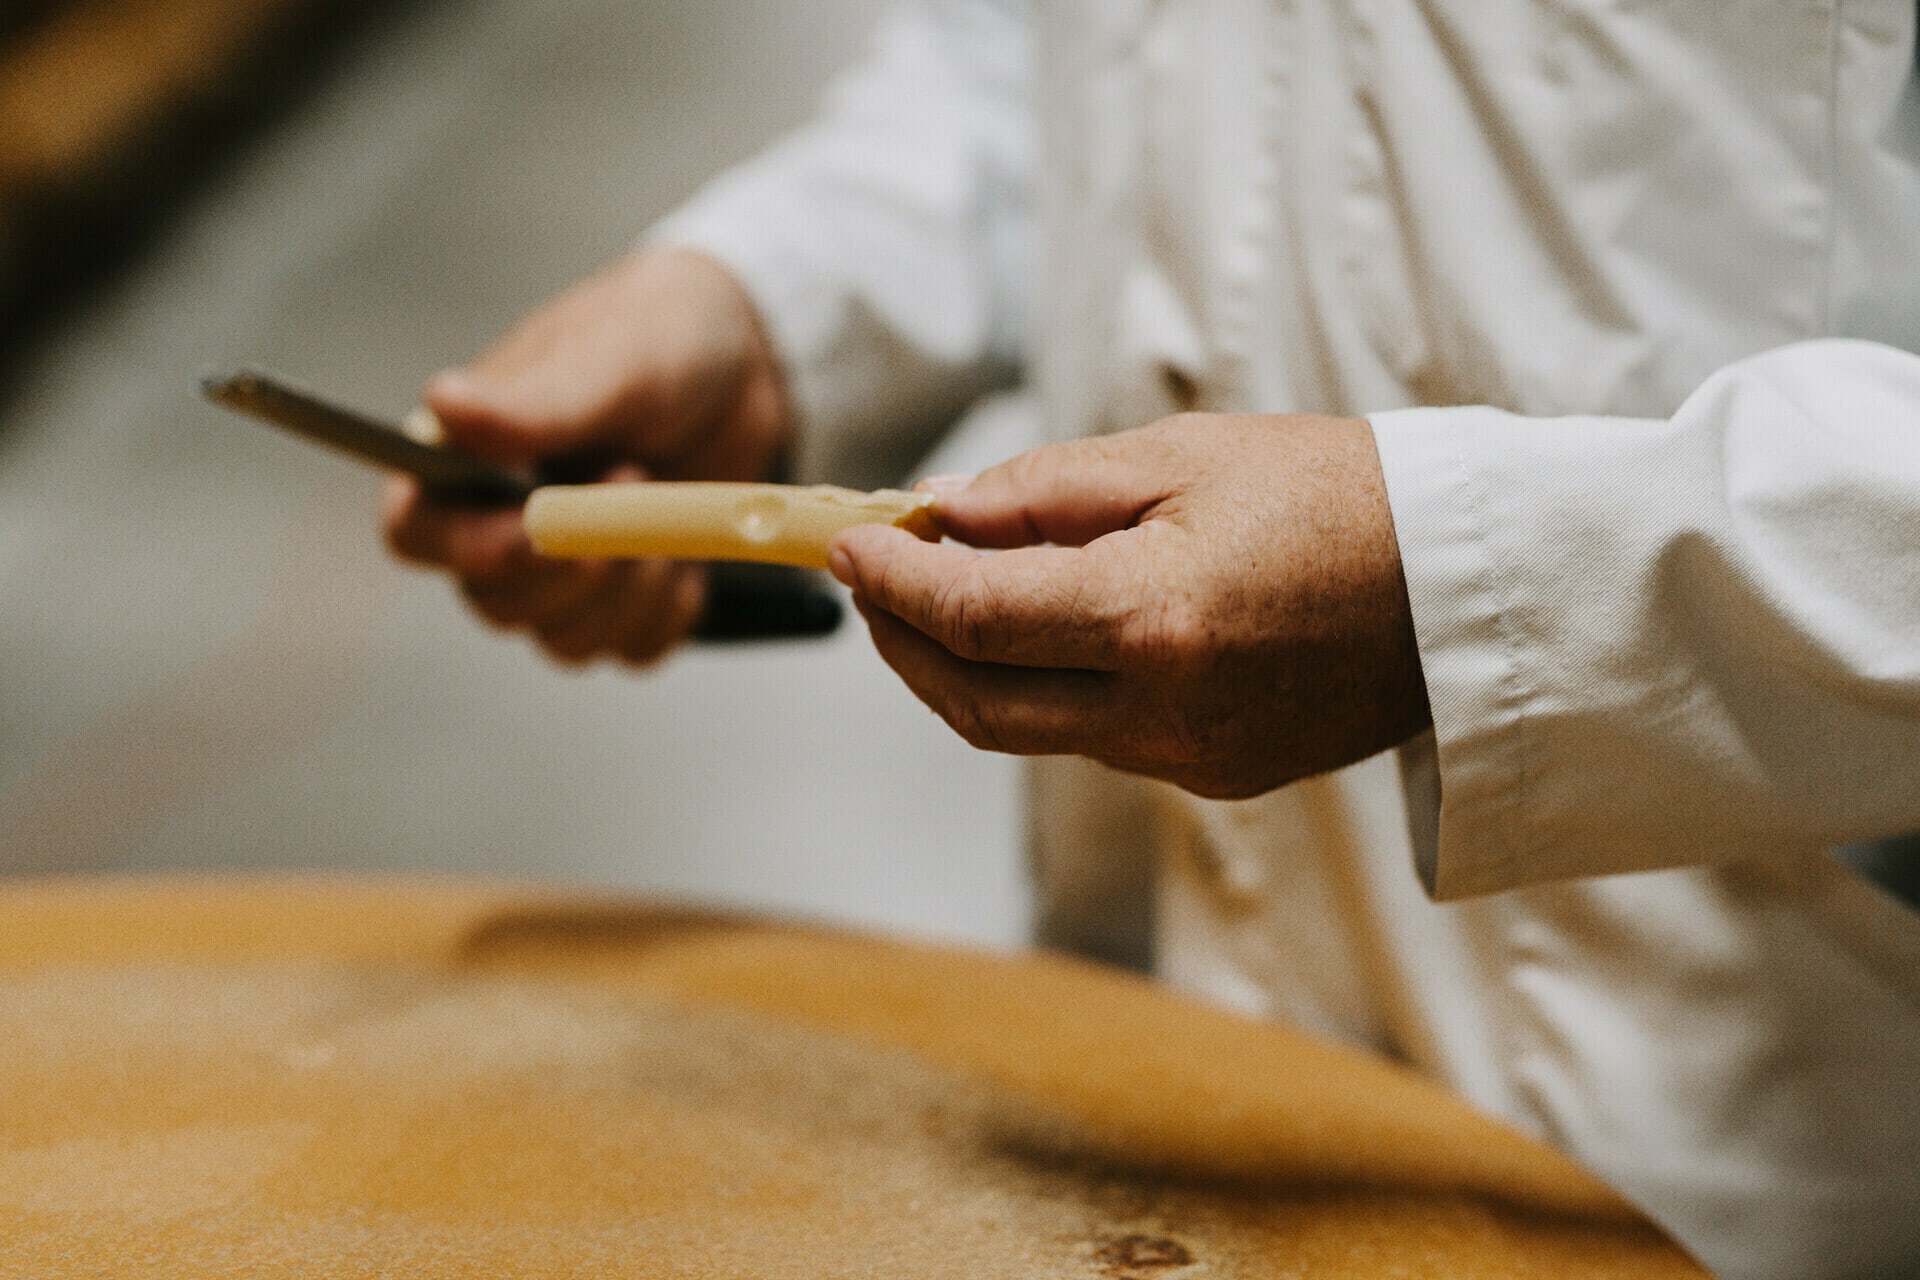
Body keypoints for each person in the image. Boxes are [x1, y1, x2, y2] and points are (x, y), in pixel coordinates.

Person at [384, 4, 1920, 1276]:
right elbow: (1068, 62)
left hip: (1733, 1124)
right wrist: (783, 296)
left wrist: (1480, 586)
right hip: (1147, 1072)